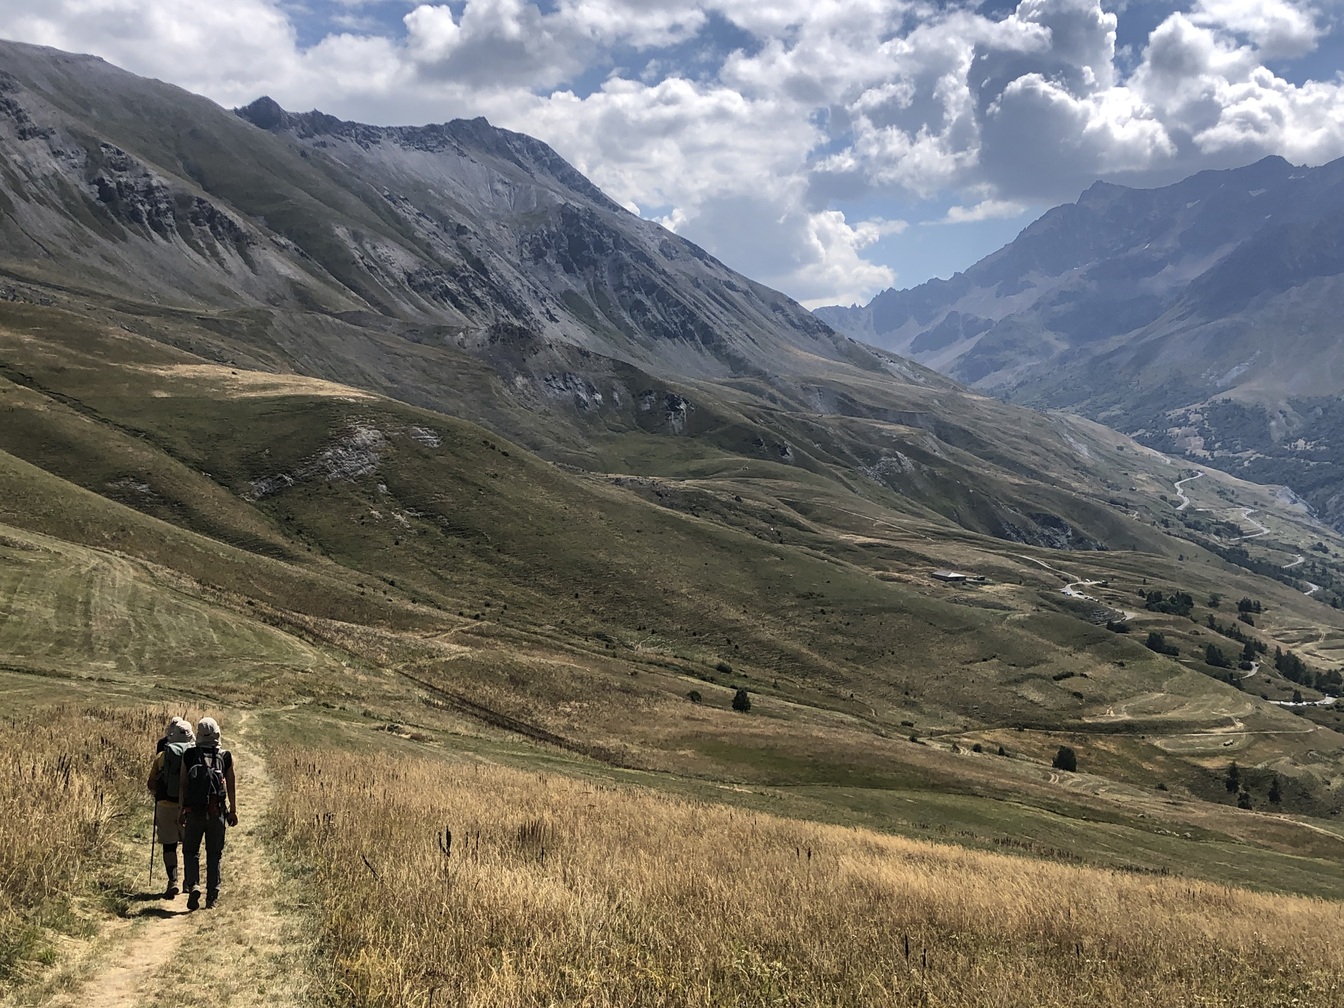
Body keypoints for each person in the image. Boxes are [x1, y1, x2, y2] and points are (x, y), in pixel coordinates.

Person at [177, 717, 238, 910]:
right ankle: (212, 895)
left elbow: (183, 785)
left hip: (194, 811)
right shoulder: (225, 756)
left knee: (190, 850)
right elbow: (231, 786)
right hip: (216, 811)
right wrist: (233, 811)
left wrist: (181, 810)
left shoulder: (189, 755)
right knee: (214, 853)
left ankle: (193, 884)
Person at [145, 717, 194, 898]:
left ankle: (172, 880)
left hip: (165, 805)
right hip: (188, 807)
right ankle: (189, 883)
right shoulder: (194, 755)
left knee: (169, 845)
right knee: (189, 846)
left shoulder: (162, 756)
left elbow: (150, 784)